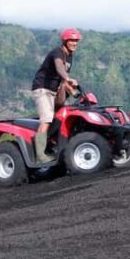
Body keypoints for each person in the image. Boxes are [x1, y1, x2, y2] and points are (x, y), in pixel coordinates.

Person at [31, 28, 81, 162]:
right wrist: (68, 78)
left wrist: (75, 92)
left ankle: (52, 142)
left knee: (64, 114)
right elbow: (59, 68)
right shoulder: (57, 53)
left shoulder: (70, 56)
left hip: (55, 91)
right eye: (71, 40)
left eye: (76, 41)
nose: (74, 43)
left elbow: (64, 80)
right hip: (42, 89)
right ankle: (40, 155)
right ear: (65, 41)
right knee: (47, 118)